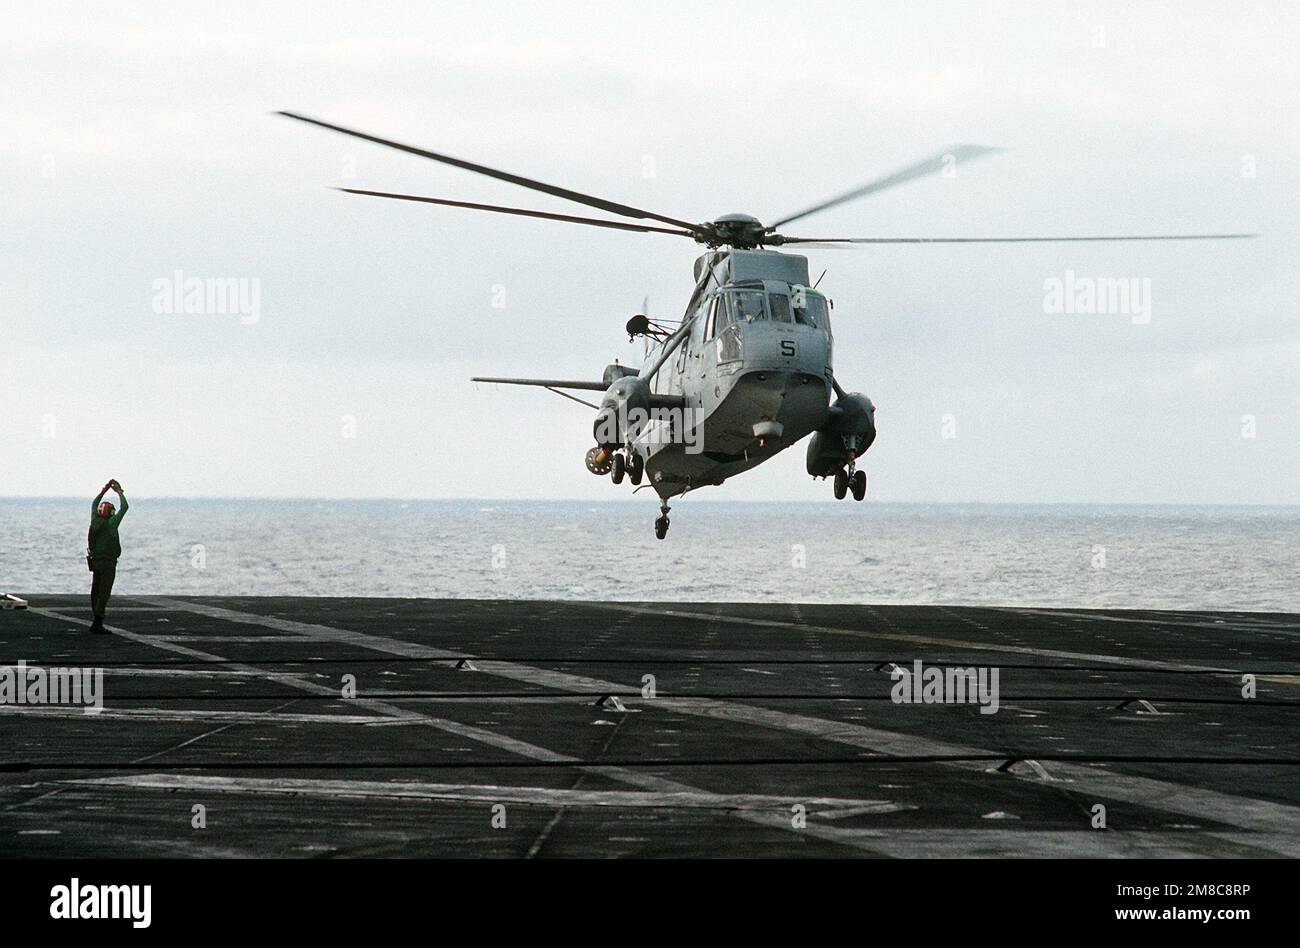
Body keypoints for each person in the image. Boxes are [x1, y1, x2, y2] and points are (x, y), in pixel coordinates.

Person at [87, 479, 128, 633]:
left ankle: (96, 619)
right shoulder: (112, 523)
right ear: (110, 512)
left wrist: (104, 490)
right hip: (109, 563)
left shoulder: (94, 520)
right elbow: (125, 507)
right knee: (104, 592)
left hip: (96, 562)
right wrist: (119, 492)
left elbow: (94, 503)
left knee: (95, 590)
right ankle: (98, 622)